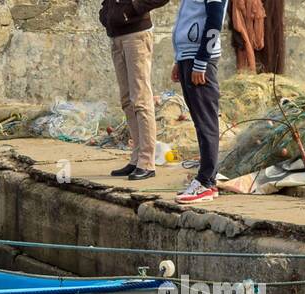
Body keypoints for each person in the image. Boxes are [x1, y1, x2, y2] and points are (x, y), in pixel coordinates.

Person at [99, 0, 171, 181]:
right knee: (126, 99)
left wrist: (131, 9)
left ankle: (147, 163)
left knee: (141, 99)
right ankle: (136, 158)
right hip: (117, 36)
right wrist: (106, 15)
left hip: (136, 35)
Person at [173, 0, 231, 203]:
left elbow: (214, 21)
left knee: (206, 122)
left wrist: (201, 61)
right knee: (200, 121)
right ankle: (207, 181)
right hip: (187, 57)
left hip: (200, 59)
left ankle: (206, 182)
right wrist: (178, 59)